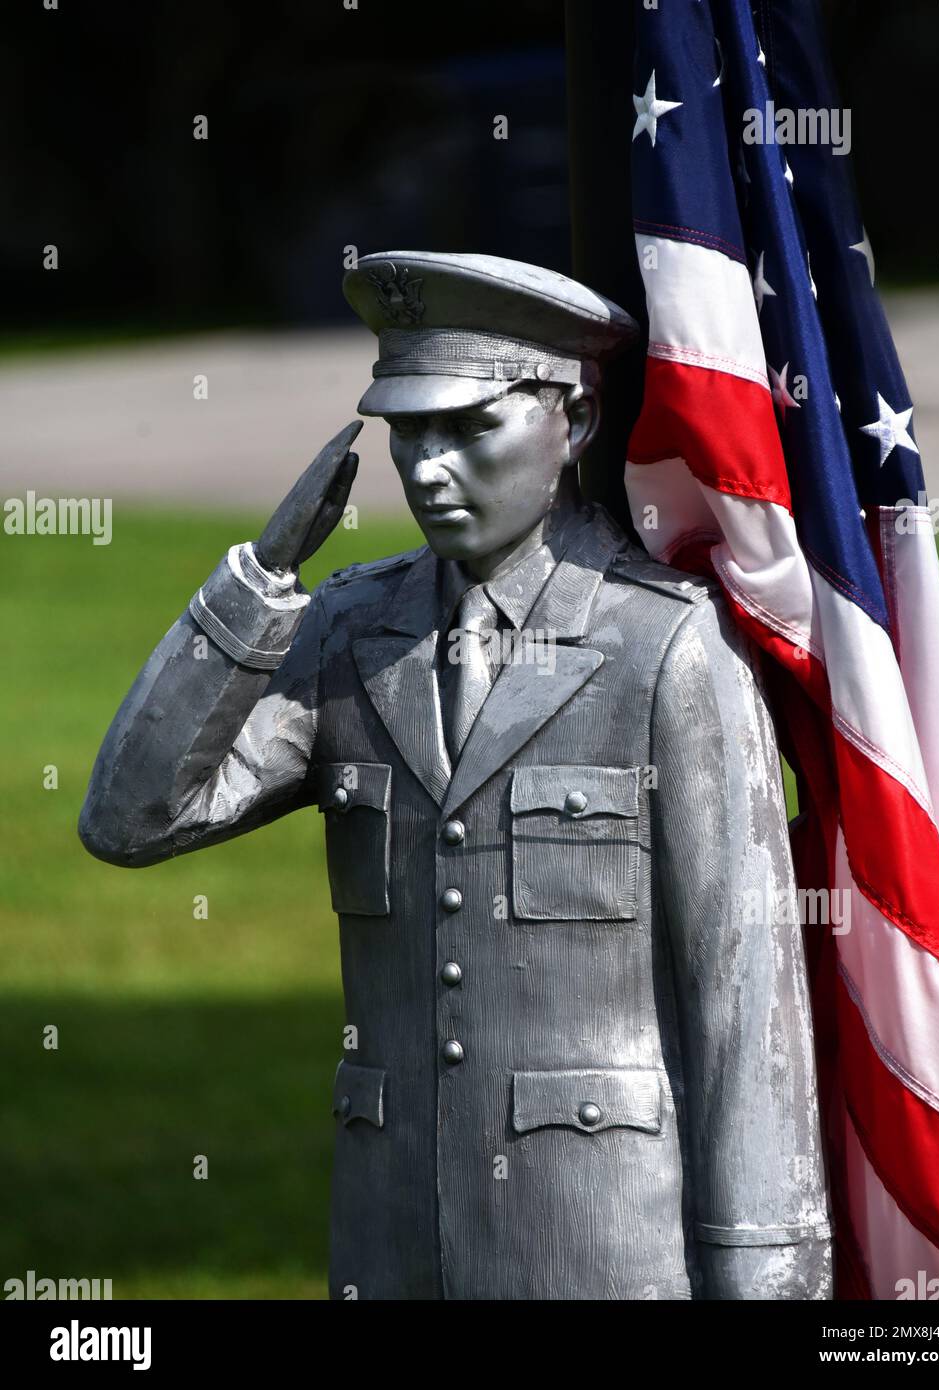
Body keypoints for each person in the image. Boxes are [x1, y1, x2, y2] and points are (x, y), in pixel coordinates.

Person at [79, 250, 832, 1300]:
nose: (429, 467)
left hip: (604, 1247)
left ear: (570, 422)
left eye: (469, 427)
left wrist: (767, 1275)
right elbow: (129, 818)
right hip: (391, 1242)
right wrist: (255, 584)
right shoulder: (349, 631)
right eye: (408, 431)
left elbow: (741, 999)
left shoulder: (665, 650)